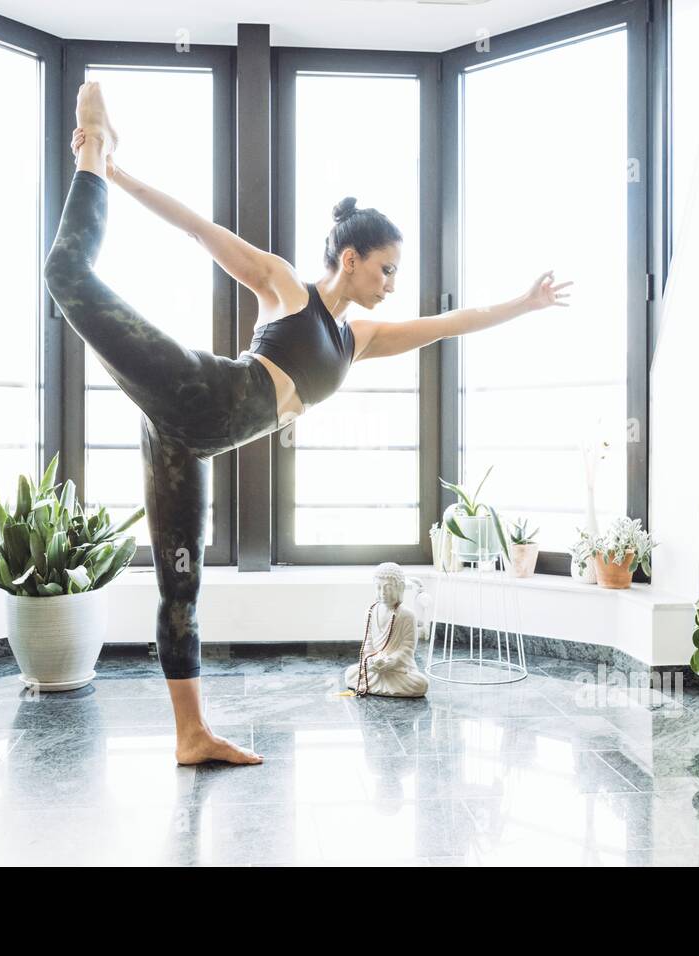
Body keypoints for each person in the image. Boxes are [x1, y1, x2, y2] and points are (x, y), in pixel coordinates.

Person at [44, 82, 572, 766]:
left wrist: (523, 306)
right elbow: (198, 229)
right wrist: (117, 173)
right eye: (386, 269)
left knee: (182, 582)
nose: (391, 282)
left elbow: (452, 324)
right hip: (198, 390)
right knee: (65, 271)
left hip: (187, 436)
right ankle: (92, 143)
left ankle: (191, 735)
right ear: (350, 260)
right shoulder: (284, 290)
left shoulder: (362, 339)